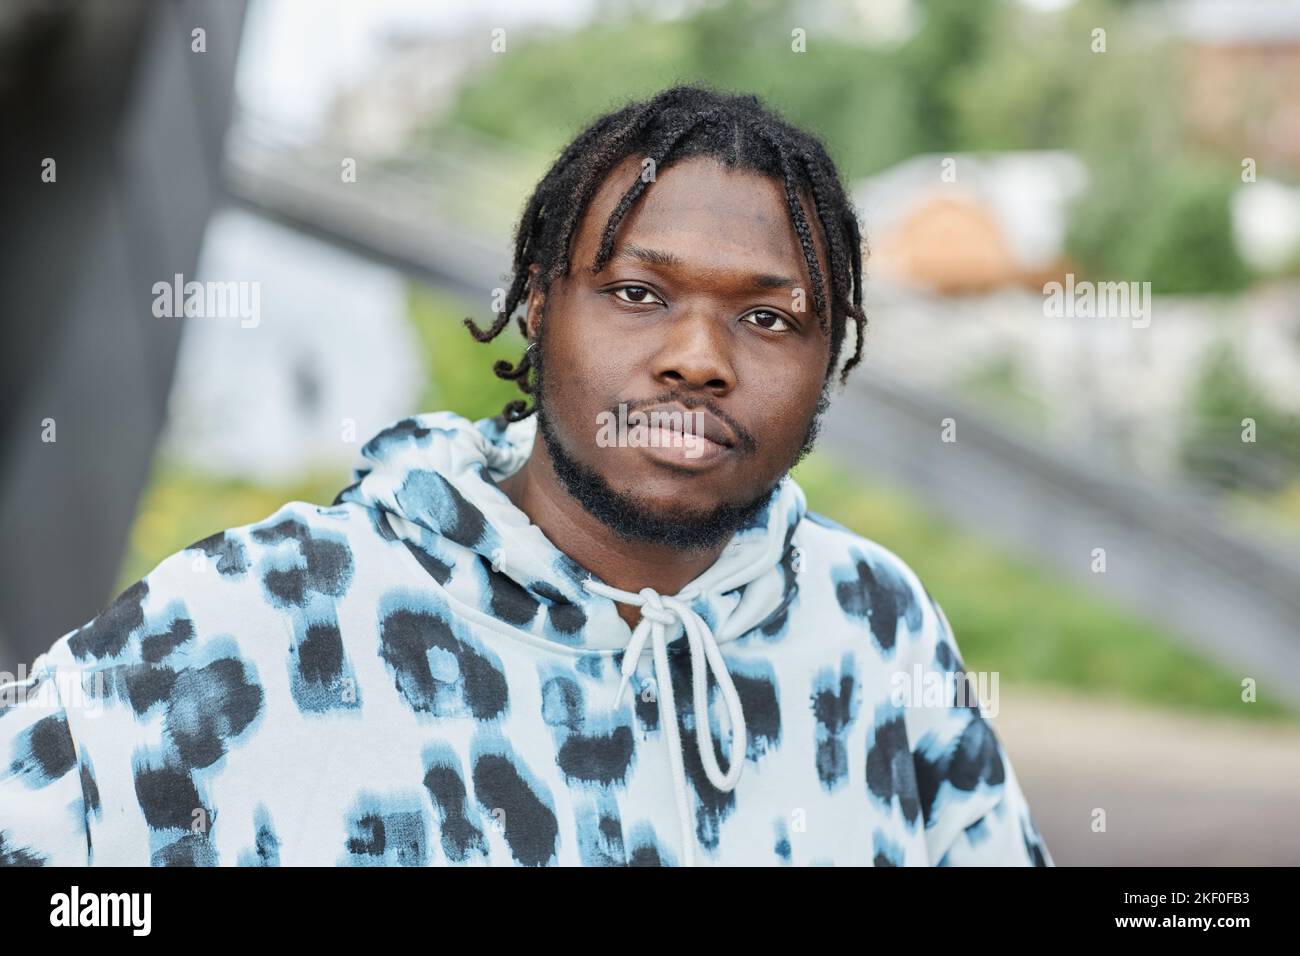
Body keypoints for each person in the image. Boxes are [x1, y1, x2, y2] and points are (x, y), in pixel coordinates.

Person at [0, 85, 1052, 867]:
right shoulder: (261, 614)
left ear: (832, 358)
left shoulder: (873, 626)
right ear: (541, 303)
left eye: (767, 317)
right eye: (639, 293)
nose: (698, 357)